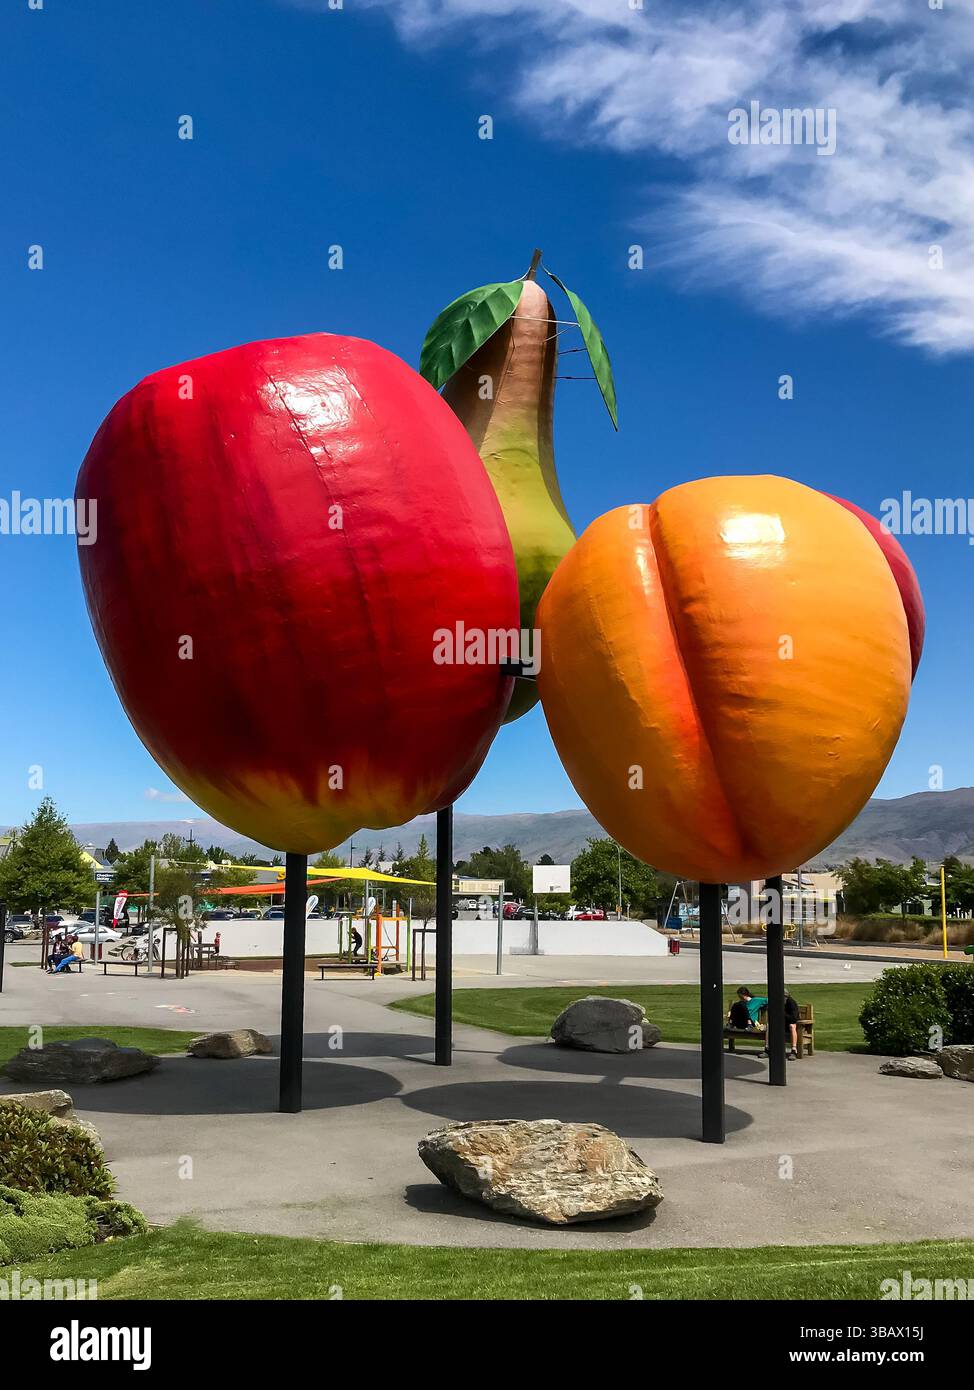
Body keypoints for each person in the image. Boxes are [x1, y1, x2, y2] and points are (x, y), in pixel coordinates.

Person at [784, 990, 801, 1059]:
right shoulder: (777, 1002)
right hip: (782, 1024)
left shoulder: (791, 1003)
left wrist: (783, 1014)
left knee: (792, 1026)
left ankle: (794, 1050)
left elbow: (794, 1018)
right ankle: (767, 1049)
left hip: (792, 1024)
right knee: (769, 1026)